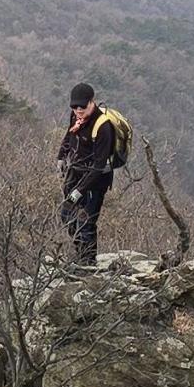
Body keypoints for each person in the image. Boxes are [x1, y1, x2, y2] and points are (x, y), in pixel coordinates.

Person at [57, 78, 130, 265]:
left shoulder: (103, 126)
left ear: (92, 101)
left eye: (82, 106)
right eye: (74, 107)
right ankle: (80, 254)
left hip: (95, 181)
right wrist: (60, 156)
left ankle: (88, 263)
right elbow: (69, 135)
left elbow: (98, 166)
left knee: (87, 223)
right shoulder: (76, 117)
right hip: (75, 173)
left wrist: (78, 191)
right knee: (66, 215)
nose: (78, 110)